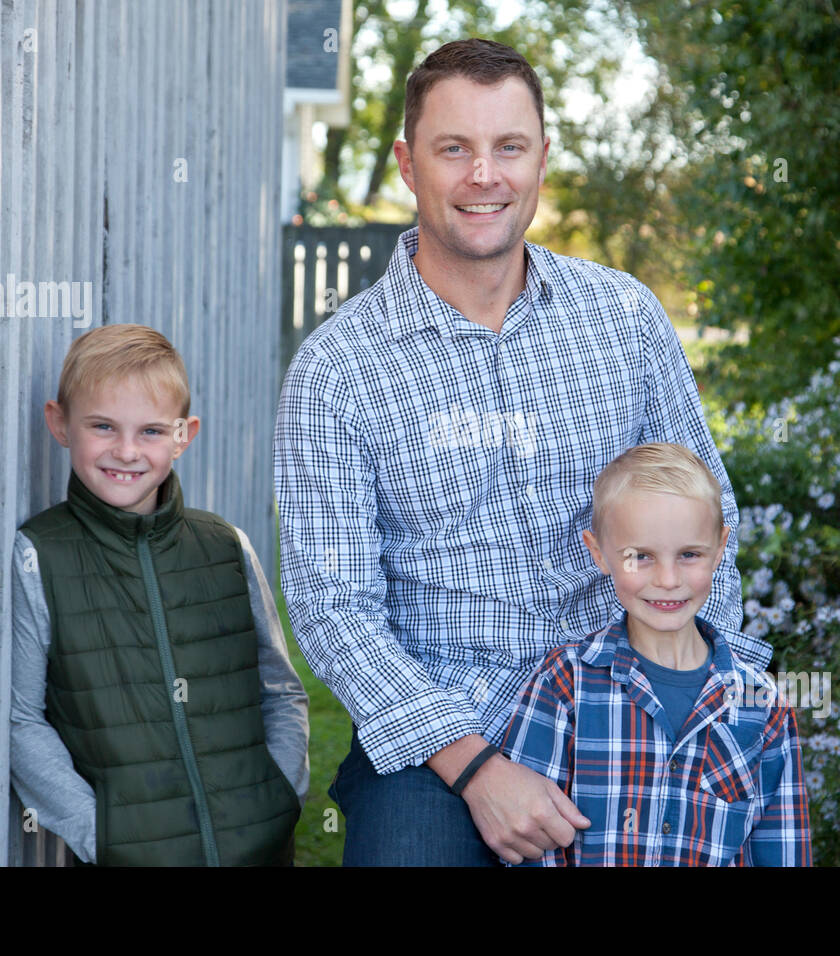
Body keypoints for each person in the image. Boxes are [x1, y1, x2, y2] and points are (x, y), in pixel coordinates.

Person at [274, 37, 771, 866]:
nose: (485, 176)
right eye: (454, 149)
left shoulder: (624, 319)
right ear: (407, 162)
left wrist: (696, 704)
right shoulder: (338, 372)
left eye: (508, 147)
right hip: (440, 734)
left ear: (542, 157)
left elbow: (710, 514)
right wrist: (476, 769)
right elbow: (335, 610)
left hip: (632, 702)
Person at [11, 324, 308, 866]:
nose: (125, 451)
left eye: (150, 431)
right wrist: (102, 835)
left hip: (260, 850)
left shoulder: (225, 546)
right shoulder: (40, 555)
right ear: (59, 423)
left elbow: (281, 690)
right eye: (102, 426)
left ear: (183, 434)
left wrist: (277, 799)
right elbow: (22, 720)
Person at [499, 443, 812, 865]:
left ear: (720, 548)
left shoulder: (764, 706)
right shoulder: (565, 683)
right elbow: (532, 847)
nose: (667, 580)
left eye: (689, 555)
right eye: (640, 556)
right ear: (599, 553)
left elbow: (781, 849)